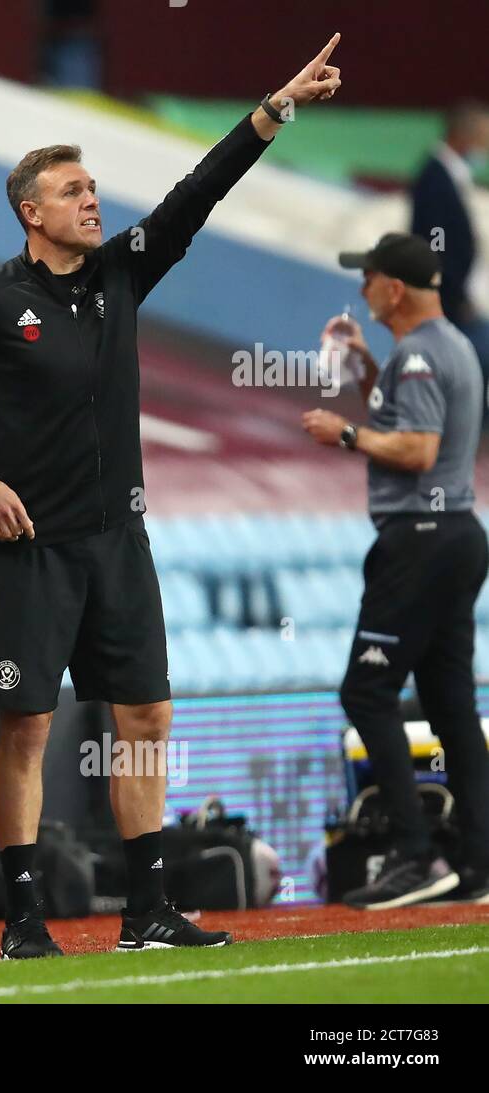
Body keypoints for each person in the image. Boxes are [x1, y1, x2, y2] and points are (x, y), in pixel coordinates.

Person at [0, 37, 344, 957]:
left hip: (120, 545)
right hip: (31, 552)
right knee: (25, 727)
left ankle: (146, 910)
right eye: (72, 191)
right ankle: (21, 919)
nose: (92, 199)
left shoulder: (122, 273)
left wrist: (276, 106)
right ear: (30, 212)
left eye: (94, 188)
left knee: (146, 719)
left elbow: (198, 191)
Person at [302, 232, 489, 908]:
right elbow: (420, 418)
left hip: (419, 540)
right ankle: (477, 861)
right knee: (451, 707)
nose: (363, 288)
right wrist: (366, 370)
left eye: (370, 276)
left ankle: (415, 854)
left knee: (366, 694)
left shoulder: (416, 355)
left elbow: (417, 447)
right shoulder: (453, 345)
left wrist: (345, 431)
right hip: (459, 534)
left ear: (395, 289)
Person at [410, 101, 489, 395]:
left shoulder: (450, 177)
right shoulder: (436, 179)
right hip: (445, 298)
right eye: (482, 140)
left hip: (451, 295)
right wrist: (449, 290)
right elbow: (435, 241)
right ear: (462, 137)